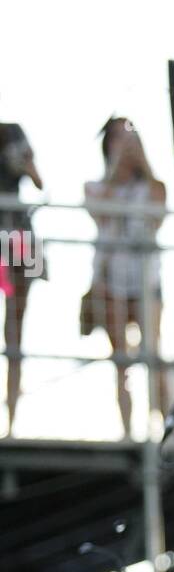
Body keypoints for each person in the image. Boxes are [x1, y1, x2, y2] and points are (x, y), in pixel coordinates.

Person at [82, 118, 171, 436]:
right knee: (121, 360)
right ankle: (128, 431)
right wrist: (118, 165)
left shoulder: (152, 186)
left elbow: (159, 214)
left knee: (153, 353)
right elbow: (99, 210)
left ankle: (166, 427)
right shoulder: (96, 186)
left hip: (146, 282)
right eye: (118, 138)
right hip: (110, 282)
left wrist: (142, 163)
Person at [0, 118, 45, 434]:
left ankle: (11, 422)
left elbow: (37, 179)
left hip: (18, 239)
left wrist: (25, 162)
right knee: (13, 332)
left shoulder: (14, 133)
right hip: (11, 238)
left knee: (14, 331)